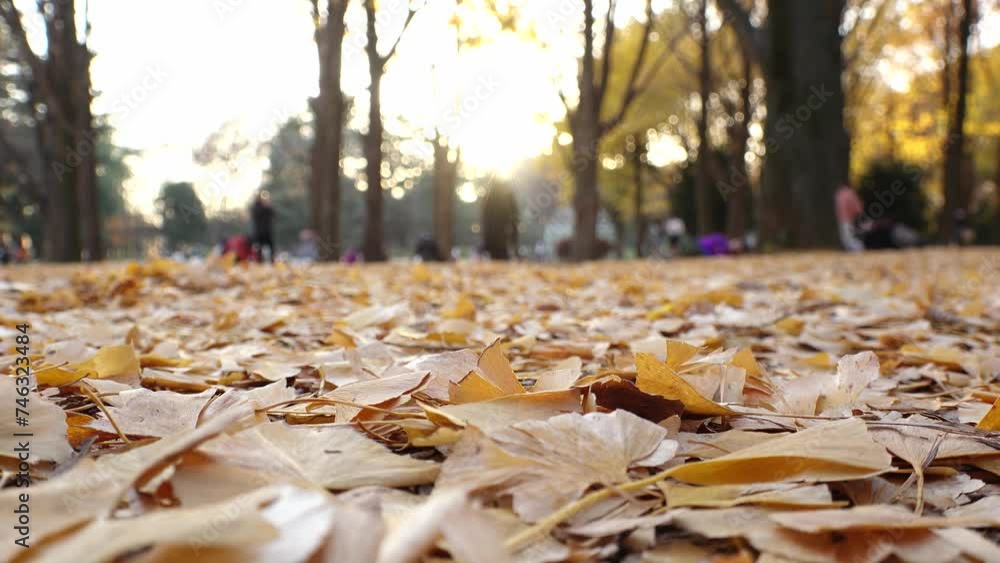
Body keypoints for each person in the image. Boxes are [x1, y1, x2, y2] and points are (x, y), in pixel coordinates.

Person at [835, 184, 865, 251]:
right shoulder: (850, 193)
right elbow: (857, 208)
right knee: (847, 237)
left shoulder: (840, 194)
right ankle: (857, 249)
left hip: (845, 219)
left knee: (848, 238)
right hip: (848, 218)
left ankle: (859, 249)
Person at [250, 191, 275, 263]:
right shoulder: (255, 206)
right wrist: (264, 207)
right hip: (258, 231)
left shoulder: (267, 205)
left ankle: (271, 260)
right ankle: (259, 261)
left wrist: (269, 206)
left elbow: (273, 214)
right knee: (259, 247)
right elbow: (256, 214)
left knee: (270, 246)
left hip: (267, 230)